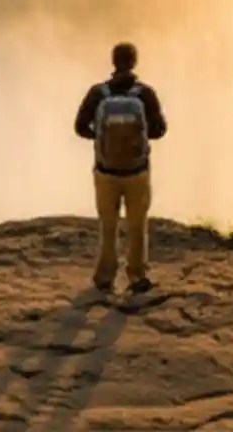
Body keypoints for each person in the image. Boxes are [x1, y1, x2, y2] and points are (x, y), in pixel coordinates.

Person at [74, 42, 167, 294]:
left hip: (105, 171)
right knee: (137, 225)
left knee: (108, 225)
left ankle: (105, 277)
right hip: (138, 171)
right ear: (134, 62)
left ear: (113, 62)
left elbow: (80, 127)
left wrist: (101, 139)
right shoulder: (144, 94)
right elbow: (159, 130)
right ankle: (136, 275)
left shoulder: (98, 93)